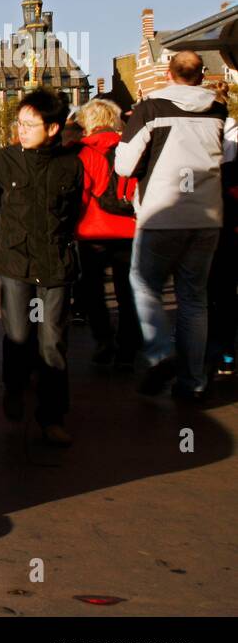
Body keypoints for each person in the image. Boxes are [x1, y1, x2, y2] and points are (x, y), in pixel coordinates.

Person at [118, 51, 238, 398]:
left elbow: (125, 165)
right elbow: (226, 156)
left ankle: (160, 354)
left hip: (162, 211)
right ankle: (192, 381)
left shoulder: (150, 109)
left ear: (168, 74)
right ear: (201, 76)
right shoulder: (217, 110)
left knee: (143, 284)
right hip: (206, 214)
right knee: (194, 298)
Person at [0, 87, 83, 447]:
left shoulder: (71, 163)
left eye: (29, 124)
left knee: (52, 343)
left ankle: (52, 416)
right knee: (18, 335)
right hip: (16, 262)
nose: (21, 130)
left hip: (55, 265)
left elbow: (74, 211)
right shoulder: (4, 160)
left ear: (53, 128)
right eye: (19, 123)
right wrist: (9, 236)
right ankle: (15, 387)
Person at [73, 99, 140, 369]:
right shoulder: (129, 147)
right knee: (128, 293)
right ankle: (127, 346)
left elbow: (79, 193)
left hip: (92, 231)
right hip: (128, 229)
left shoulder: (83, 152)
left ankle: (103, 337)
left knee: (93, 289)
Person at [206, 81, 238, 380]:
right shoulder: (231, 132)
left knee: (213, 289)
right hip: (225, 220)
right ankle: (224, 351)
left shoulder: (217, 135)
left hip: (215, 219)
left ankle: (220, 350)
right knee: (223, 290)